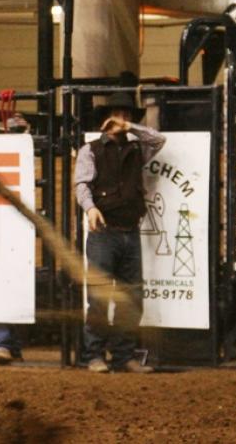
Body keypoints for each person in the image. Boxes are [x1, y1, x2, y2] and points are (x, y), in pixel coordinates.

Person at [75, 89, 165, 374]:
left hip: (129, 230)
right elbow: (82, 185)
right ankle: (94, 355)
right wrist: (90, 208)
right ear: (105, 119)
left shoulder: (137, 147)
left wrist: (130, 127)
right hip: (105, 231)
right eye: (117, 115)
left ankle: (123, 355)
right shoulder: (91, 150)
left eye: (126, 115)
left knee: (131, 298)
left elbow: (158, 139)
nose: (121, 120)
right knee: (100, 298)